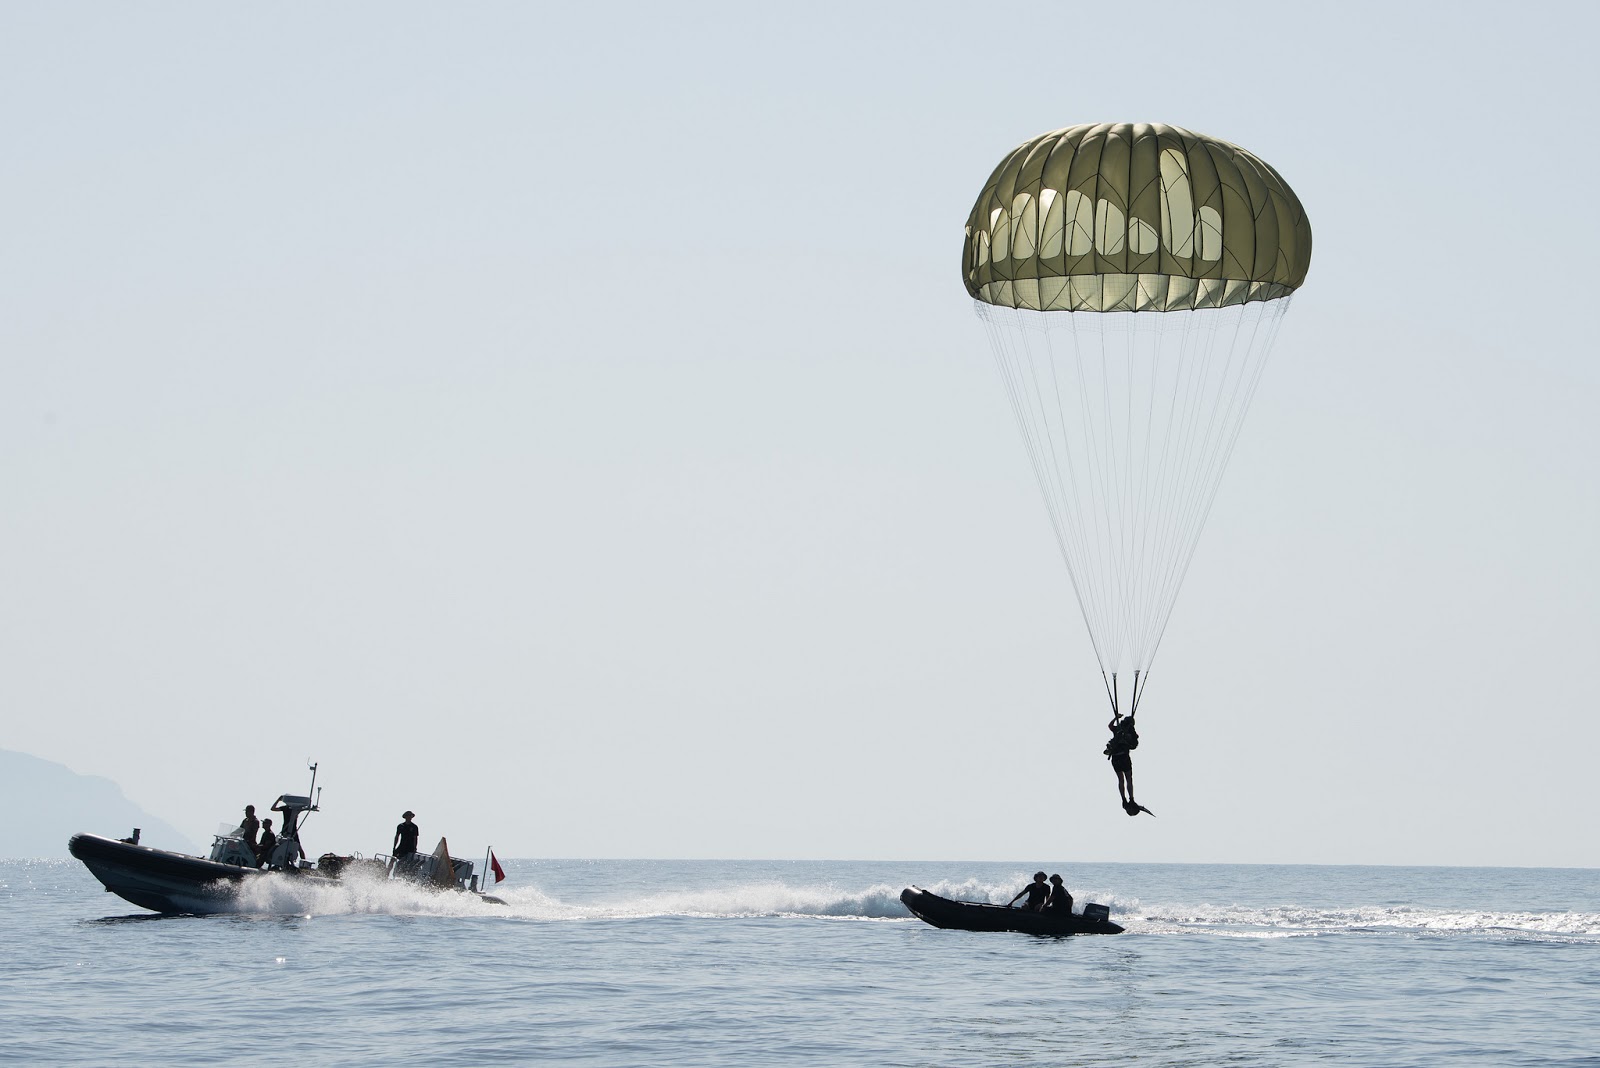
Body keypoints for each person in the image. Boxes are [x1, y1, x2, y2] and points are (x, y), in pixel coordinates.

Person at [1105, 714, 1145, 815]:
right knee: (1128, 778)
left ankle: (1124, 799)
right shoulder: (1130, 731)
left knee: (1121, 779)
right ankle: (1130, 798)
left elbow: (1110, 726)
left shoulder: (1119, 729)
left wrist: (1115, 718)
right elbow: (1134, 744)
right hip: (1124, 757)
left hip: (1116, 758)